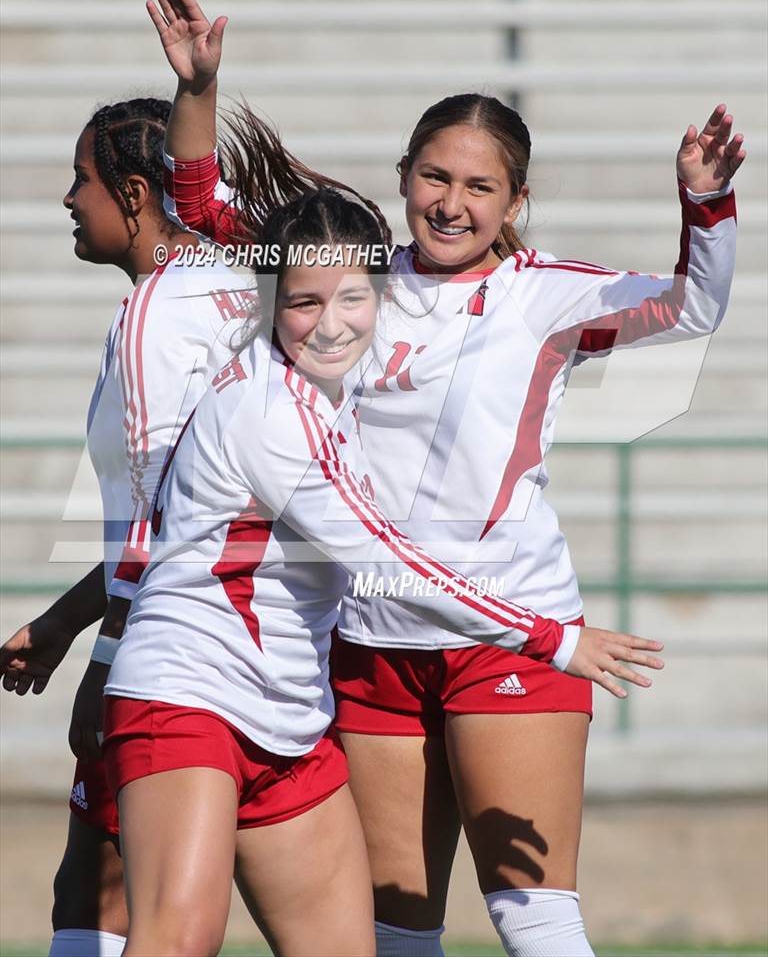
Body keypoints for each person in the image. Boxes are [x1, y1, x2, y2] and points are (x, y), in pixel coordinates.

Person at [151, 0, 744, 957]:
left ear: (517, 197)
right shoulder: (354, 277)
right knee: (395, 930)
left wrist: (706, 198)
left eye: (478, 185)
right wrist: (198, 89)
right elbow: (204, 216)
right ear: (402, 174)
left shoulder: (544, 296)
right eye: (434, 175)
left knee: (532, 915)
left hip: (511, 629)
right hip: (374, 631)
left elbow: (693, 308)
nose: (452, 201)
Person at [101, 180, 663, 957]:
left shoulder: (338, 385)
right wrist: (551, 639)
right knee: (176, 942)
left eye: (351, 300)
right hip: (192, 694)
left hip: (290, 720)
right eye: (303, 303)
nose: (330, 326)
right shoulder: (271, 409)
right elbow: (384, 560)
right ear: (271, 302)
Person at [0, 97, 252, 957]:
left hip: (184, 649)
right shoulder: (224, 289)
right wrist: (67, 622)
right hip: (240, 632)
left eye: (82, 180)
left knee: (138, 902)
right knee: (93, 875)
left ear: (135, 193)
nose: (70, 199)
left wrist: (104, 662)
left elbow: (160, 524)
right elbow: (178, 506)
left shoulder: (157, 314)